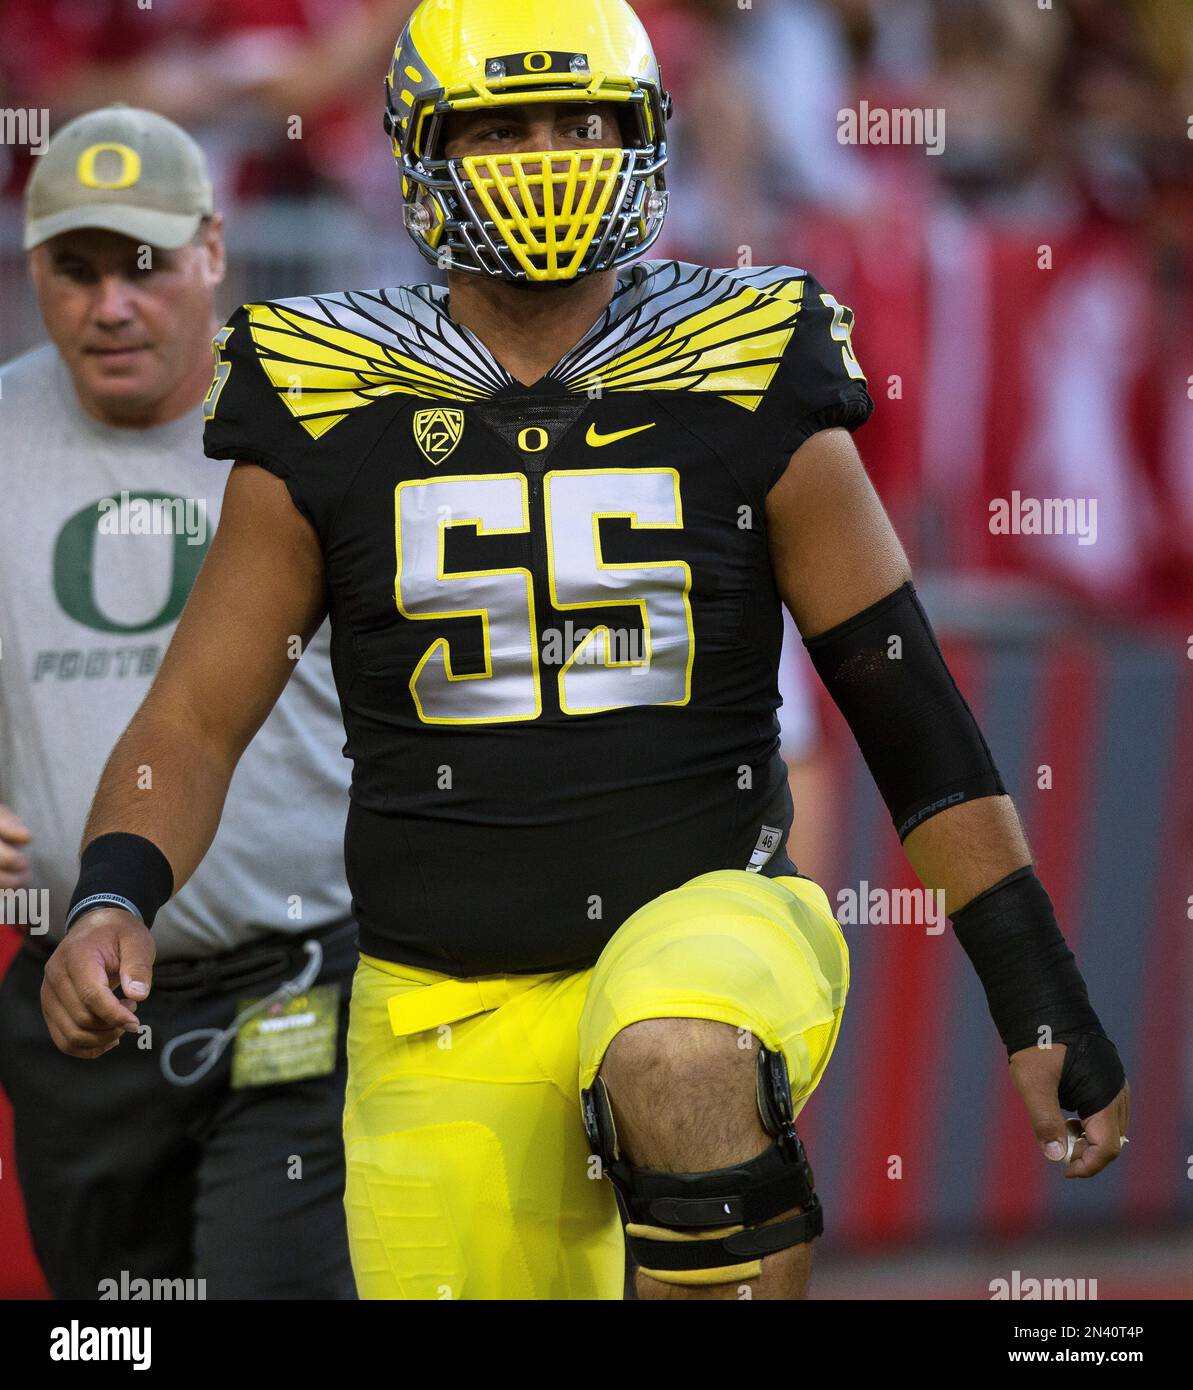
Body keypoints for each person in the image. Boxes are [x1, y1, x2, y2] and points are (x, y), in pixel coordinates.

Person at [47, 3, 1129, 1301]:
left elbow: (904, 703)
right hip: (437, 999)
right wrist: (115, 890)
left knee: (679, 1054)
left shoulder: (747, 354)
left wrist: (1037, 989)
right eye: (503, 126)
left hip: (713, 914)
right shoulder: (321, 384)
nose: (550, 155)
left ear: (648, 137)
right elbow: (195, 718)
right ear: (421, 152)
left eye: (584, 121)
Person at [0, 105, 356, 1300]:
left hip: (304, 985)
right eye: (77, 268)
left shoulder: (319, 422)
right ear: (31, 267)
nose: (111, 305)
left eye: (144, 265)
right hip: (77, 1011)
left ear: (214, 250)